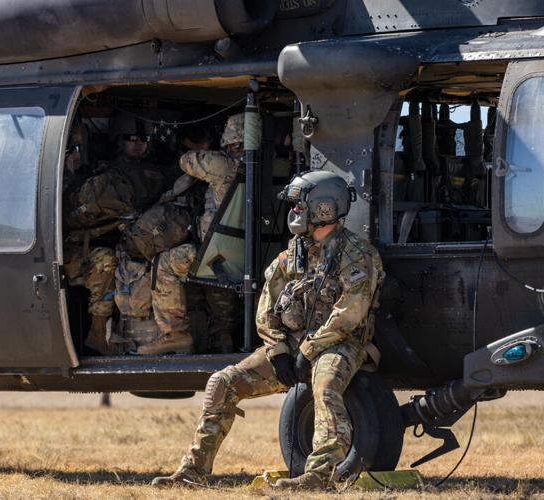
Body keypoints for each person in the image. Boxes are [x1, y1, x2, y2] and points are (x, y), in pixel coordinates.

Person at [150, 170, 384, 490]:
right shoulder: (293, 254)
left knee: (326, 383)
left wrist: (309, 350)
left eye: (300, 206)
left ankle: (320, 476)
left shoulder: (358, 254)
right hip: (295, 347)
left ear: (324, 208)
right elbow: (267, 309)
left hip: (340, 344)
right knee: (223, 382)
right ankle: (193, 471)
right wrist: (278, 351)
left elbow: (350, 313)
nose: (294, 213)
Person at [134, 114, 245, 355]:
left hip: (217, 255)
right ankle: (222, 338)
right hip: (246, 256)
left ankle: (175, 334)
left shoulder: (225, 165)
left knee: (164, 263)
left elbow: (186, 161)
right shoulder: (272, 167)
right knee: (217, 286)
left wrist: (199, 149)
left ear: (232, 143)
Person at [63, 114, 171, 355]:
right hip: (86, 248)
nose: (138, 144)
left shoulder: (158, 172)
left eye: (143, 139)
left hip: (136, 241)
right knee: (106, 262)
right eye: (131, 138)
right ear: (118, 141)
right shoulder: (101, 174)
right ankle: (98, 332)